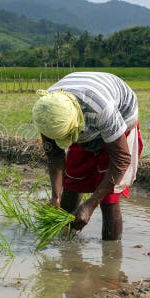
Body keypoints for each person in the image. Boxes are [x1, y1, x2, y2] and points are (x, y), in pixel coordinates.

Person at [32, 72, 143, 240]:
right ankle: (65, 243)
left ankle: (110, 255)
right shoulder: (48, 112)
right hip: (83, 120)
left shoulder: (102, 109)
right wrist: (56, 196)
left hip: (121, 118)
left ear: (74, 124)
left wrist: (90, 205)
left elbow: (121, 159)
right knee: (72, 181)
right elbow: (55, 156)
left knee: (108, 198)